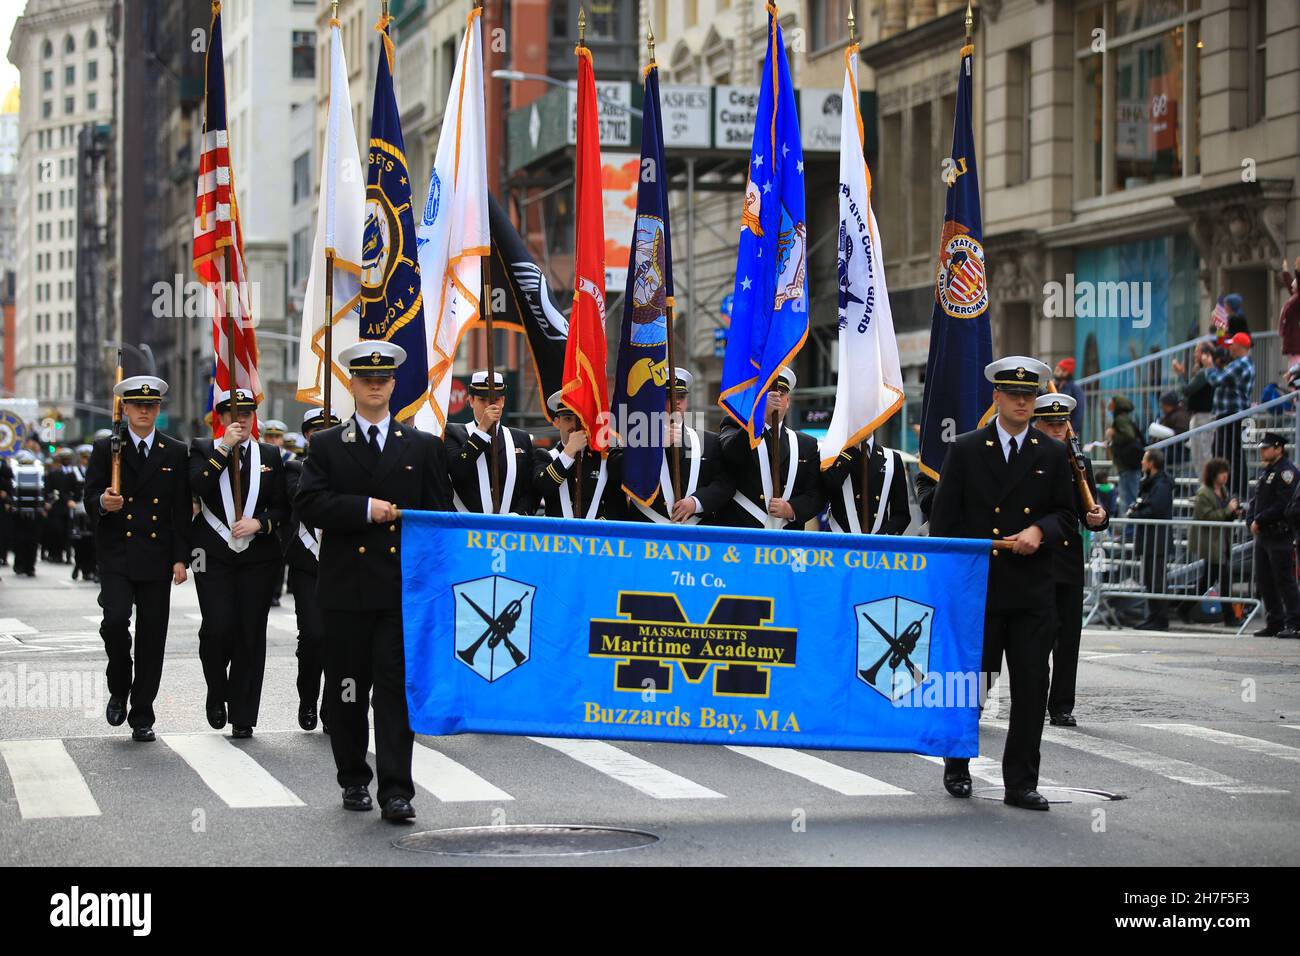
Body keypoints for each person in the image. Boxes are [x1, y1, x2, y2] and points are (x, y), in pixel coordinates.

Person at [296, 341, 452, 822]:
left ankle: (397, 791)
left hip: (399, 591)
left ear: (394, 385)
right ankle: (352, 778)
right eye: (366, 378)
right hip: (345, 591)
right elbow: (309, 504)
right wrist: (365, 509)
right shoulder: (326, 445)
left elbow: (439, 517)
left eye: (383, 379)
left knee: (393, 689)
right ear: (352, 384)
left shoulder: (421, 446)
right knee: (347, 689)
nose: (375, 385)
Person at [929, 356, 1076, 811]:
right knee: (974, 684)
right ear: (996, 398)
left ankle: (1021, 782)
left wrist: (1040, 531)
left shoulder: (1051, 453)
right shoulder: (967, 449)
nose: (1021, 401)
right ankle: (957, 761)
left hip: (1033, 589)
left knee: (1032, 686)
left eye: (1029, 395)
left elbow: (1067, 516)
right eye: (1013, 395)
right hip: (982, 590)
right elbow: (944, 524)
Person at [84, 376, 190, 741]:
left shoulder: (175, 451)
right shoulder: (107, 448)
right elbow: (89, 495)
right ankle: (119, 683)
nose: (145, 410)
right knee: (115, 623)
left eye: (152, 405)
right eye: (137, 405)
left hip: (157, 555)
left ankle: (142, 711)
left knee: (152, 636)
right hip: (116, 552)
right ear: (125, 408)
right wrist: (103, 502)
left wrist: (180, 558)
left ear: (158, 409)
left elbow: (179, 511)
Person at [189, 386, 289, 739]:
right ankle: (217, 691)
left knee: (250, 633)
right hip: (213, 555)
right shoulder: (203, 449)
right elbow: (198, 485)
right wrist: (224, 449)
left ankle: (243, 713)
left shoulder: (271, 455)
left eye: (247, 413)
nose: (241, 419)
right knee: (217, 629)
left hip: (257, 556)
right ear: (222, 417)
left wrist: (261, 523)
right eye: (233, 413)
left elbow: (282, 507)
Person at [1031, 394, 1108, 727]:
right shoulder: (1025, 458)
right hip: (1034, 559)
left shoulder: (1078, 462)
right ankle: (1033, 700)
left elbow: (1089, 507)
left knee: (1068, 639)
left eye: (1061, 424)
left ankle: (1061, 705)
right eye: (1050, 424)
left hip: (1067, 561)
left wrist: (1098, 517)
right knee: (1036, 637)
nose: (1057, 430)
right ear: (1037, 425)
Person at [282, 407, 341, 733]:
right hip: (307, 563)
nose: (323, 436)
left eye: (330, 430)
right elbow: (300, 498)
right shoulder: (293, 468)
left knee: (339, 639)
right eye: (317, 431)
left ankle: (331, 706)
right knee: (314, 636)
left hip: (342, 563)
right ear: (307, 435)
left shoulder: (349, 468)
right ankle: (308, 697)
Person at [620, 368, 736, 525]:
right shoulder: (635, 440)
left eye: (681, 396)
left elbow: (724, 484)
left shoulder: (708, 441)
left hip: (695, 536)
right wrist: (654, 445)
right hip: (647, 536)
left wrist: (695, 503)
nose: (677, 401)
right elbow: (617, 471)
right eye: (669, 396)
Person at [717, 367, 826, 530]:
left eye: (781, 394)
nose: (775, 398)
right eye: (768, 393)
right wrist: (758, 417)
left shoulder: (806, 444)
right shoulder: (735, 426)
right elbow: (731, 454)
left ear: (788, 402)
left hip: (785, 538)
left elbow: (815, 494)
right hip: (743, 533)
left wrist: (791, 509)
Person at [444, 370, 538, 515]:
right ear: (471, 401)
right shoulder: (453, 433)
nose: (490, 406)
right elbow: (457, 471)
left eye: (496, 400)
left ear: (503, 401)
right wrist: (482, 429)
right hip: (466, 528)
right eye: (483, 400)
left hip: (508, 528)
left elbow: (529, 489)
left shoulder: (520, 439)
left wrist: (518, 515)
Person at [533, 390, 625, 520]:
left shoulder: (604, 458)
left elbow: (617, 506)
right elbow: (543, 487)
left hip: (596, 537)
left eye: (581, 419)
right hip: (557, 536)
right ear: (556, 422)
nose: (575, 425)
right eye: (568, 419)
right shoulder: (545, 456)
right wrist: (569, 452)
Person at [1245, 432, 1300, 638]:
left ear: (1279, 448)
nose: (1263, 451)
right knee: (1265, 579)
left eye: (1267, 448)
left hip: (1279, 534)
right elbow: (1255, 501)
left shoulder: (1287, 472)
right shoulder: (1267, 472)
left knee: (1284, 579)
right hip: (1264, 536)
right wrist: (1251, 519)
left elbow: (1283, 504)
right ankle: (1275, 621)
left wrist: (1260, 519)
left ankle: (1295, 622)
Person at [822, 431, 911, 535]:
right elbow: (826, 490)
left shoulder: (892, 459)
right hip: (840, 543)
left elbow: (901, 515)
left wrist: (880, 539)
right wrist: (852, 448)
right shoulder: (831, 456)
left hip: (877, 545)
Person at [1188, 457, 1242, 628]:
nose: (1225, 476)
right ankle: (1229, 616)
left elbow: (1224, 515)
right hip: (1211, 542)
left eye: (1226, 472)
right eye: (1221, 473)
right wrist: (1228, 510)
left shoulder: (1223, 490)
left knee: (1207, 581)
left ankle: (1184, 607)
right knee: (1222, 579)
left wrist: (1234, 512)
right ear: (1213, 474)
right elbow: (1207, 516)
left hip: (1222, 541)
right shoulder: (1204, 493)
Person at [1203, 332, 1256, 498]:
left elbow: (1216, 380)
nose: (1229, 347)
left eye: (1232, 344)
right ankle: (1231, 491)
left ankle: (1236, 492)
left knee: (1231, 454)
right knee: (1226, 452)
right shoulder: (1240, 363)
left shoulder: (1241, 364)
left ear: (1240, 347)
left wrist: (1209, 367)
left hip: (1231, 415)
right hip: (1229, 414)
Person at [1127, 449, 1174, 631]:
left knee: (1157, 581)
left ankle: (1160, 619)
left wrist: (1136, 514)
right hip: (1150, 540)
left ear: (1152, 463)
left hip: (1157, 541)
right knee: (1150, 580)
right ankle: (1154, 617)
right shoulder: (1151, 483)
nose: (1141, 463)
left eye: (1144, 460)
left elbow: (1156, 509)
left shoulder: (1161, 484)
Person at [1173, 342, 1217, 473]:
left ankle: (1207, 485)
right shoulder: (1202, 372)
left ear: (1205, 354)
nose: (1194, 354)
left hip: (1204, 417)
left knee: (1203, 455)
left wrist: (1180, 375)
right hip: (1199, 416)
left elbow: (1187, 390)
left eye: (1197, 351)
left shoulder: (1205, 372)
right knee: (1198, 455)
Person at [9, 450, 44, 576]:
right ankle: (21, 564)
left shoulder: (39, 473)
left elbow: (42, 492)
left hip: (33, 513)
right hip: (19, 513)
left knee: (31, 541)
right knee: (20, 540)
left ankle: (29, 566)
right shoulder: (14, 472)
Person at [1106, 395, 1143, 513]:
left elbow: (1129, 435)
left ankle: (1129, 528)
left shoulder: (1120, 419)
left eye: (1111, 403)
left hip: (1128, 465)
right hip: (1128, 466)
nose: (1109, 406)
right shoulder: (1125, 418)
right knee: (1127, 498)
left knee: (1128, 499)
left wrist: (1113, 436)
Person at [1052, 358, 1085, 436]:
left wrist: (1070, 432)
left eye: (1058, 370)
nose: (1055, 372)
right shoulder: (1055, 386)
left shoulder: (1075, 390)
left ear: (1066, 372)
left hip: (1067, 432)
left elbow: (1078, 415)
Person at [1280, 261, 1300, 368]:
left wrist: (1298, 271)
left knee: (1295, 380)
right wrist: (1285, 271)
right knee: (1293, 379)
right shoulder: (1295, 298)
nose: (1292, 286)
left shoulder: (1297, 300)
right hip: (1294, 348)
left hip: (1296, 348)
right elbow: (1290, 284)